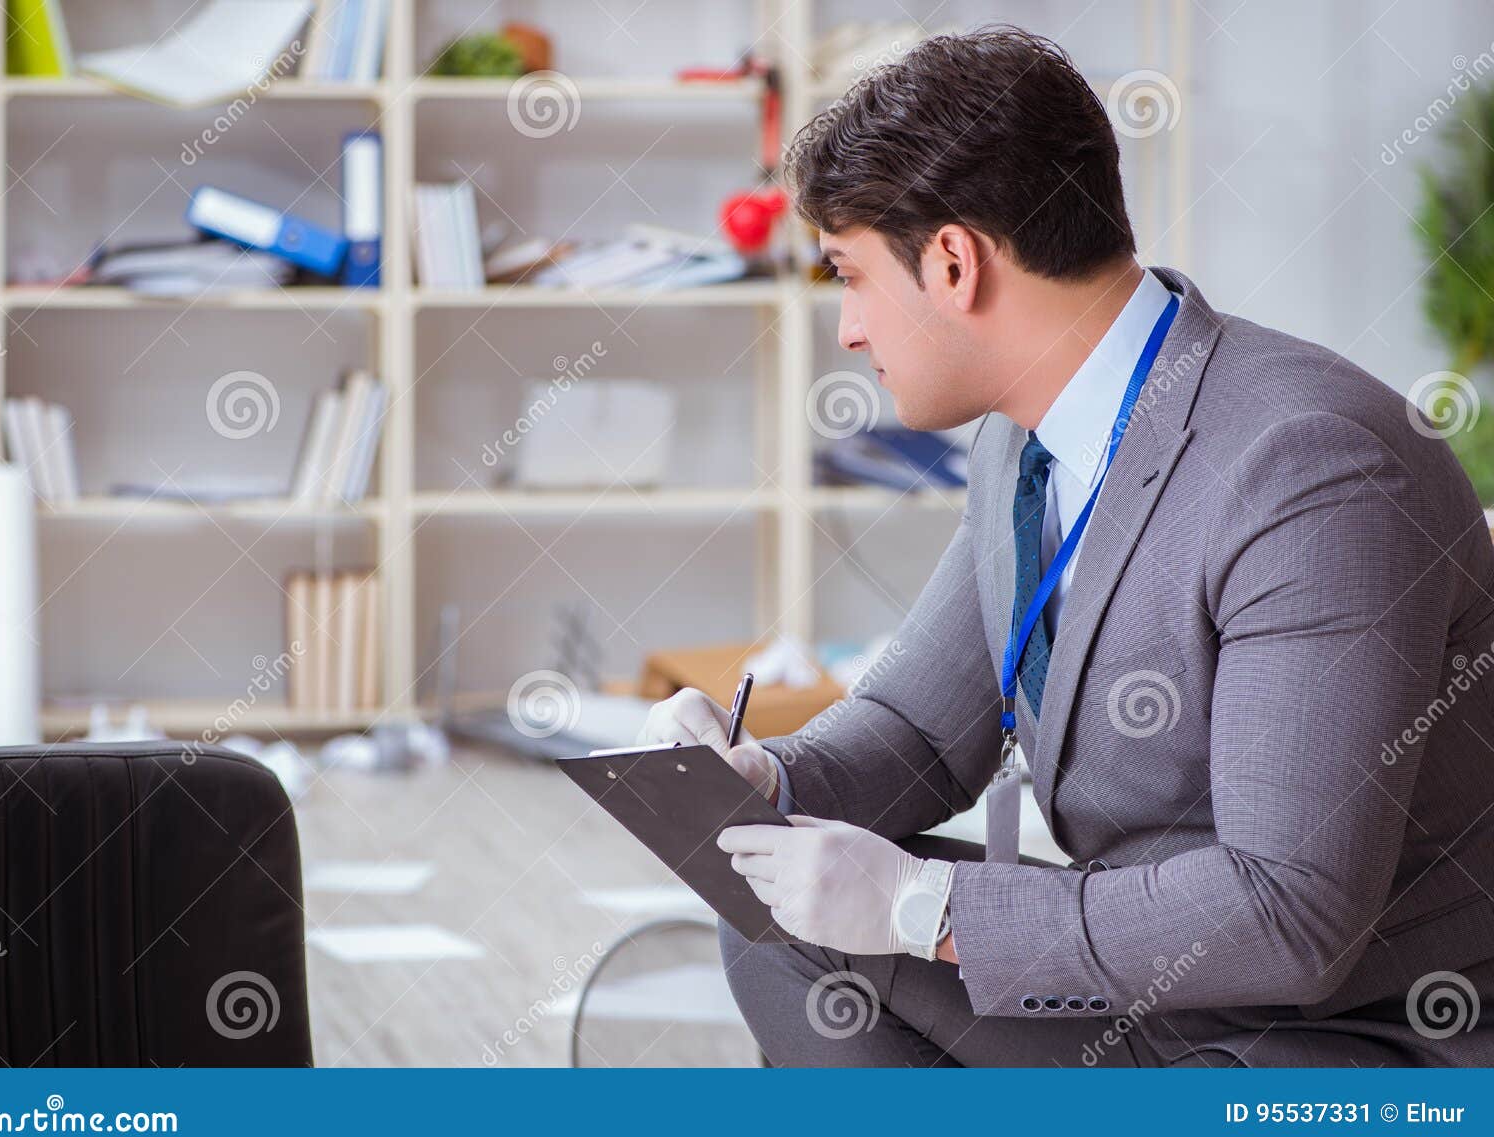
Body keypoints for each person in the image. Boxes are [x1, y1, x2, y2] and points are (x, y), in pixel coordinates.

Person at [637, 26, 1494, 1067]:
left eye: (849, 276)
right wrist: (764, 781)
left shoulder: (1308, 467)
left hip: (1343, 1043)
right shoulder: (1023, 438)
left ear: (953, 263)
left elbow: (1289, 914)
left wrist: (924, 906)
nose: (849, 328)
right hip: (1163, 1002)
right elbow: (920, 731)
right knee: (777, 922)